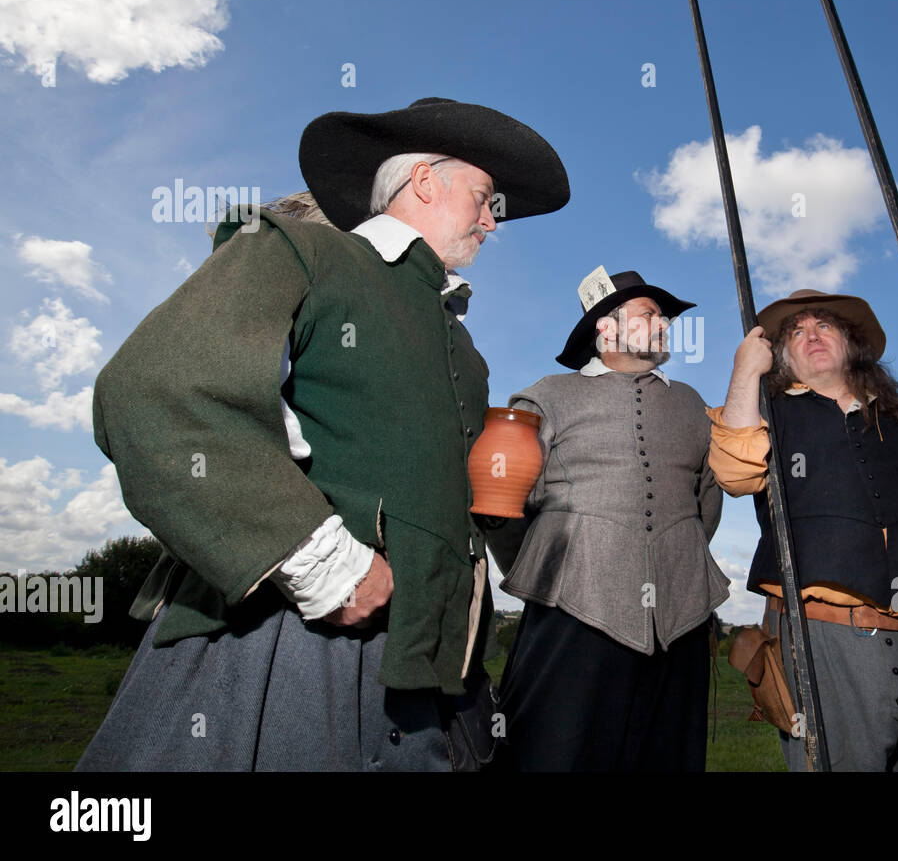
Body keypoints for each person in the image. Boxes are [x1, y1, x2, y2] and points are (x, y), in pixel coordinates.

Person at [76, 97, 569, 771]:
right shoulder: (301, 250)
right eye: (485, 198)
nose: (492, 220)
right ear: (425, 180)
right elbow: (159, 390)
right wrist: (326, 568)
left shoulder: (463, 345)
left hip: (422, 674)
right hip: (286, 646)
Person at [709, 289, 898, 771]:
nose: (811, 336)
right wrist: (745, 371)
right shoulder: (765, 418)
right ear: (781, 357)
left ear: (852, 344)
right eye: (795, 332)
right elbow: (735, 474)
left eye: (824, 326)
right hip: (823, 641)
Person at [490, 267, 727, 771]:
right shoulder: (546, 395)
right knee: (553, 753)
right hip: (572, 613)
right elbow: (503, 503)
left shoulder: (692, 405)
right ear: (606, 327)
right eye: (649, 315)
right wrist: (549, 572)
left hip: (680, 618)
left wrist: (671, 558)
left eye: (664, 316)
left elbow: (706, 503)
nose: (664, 324)